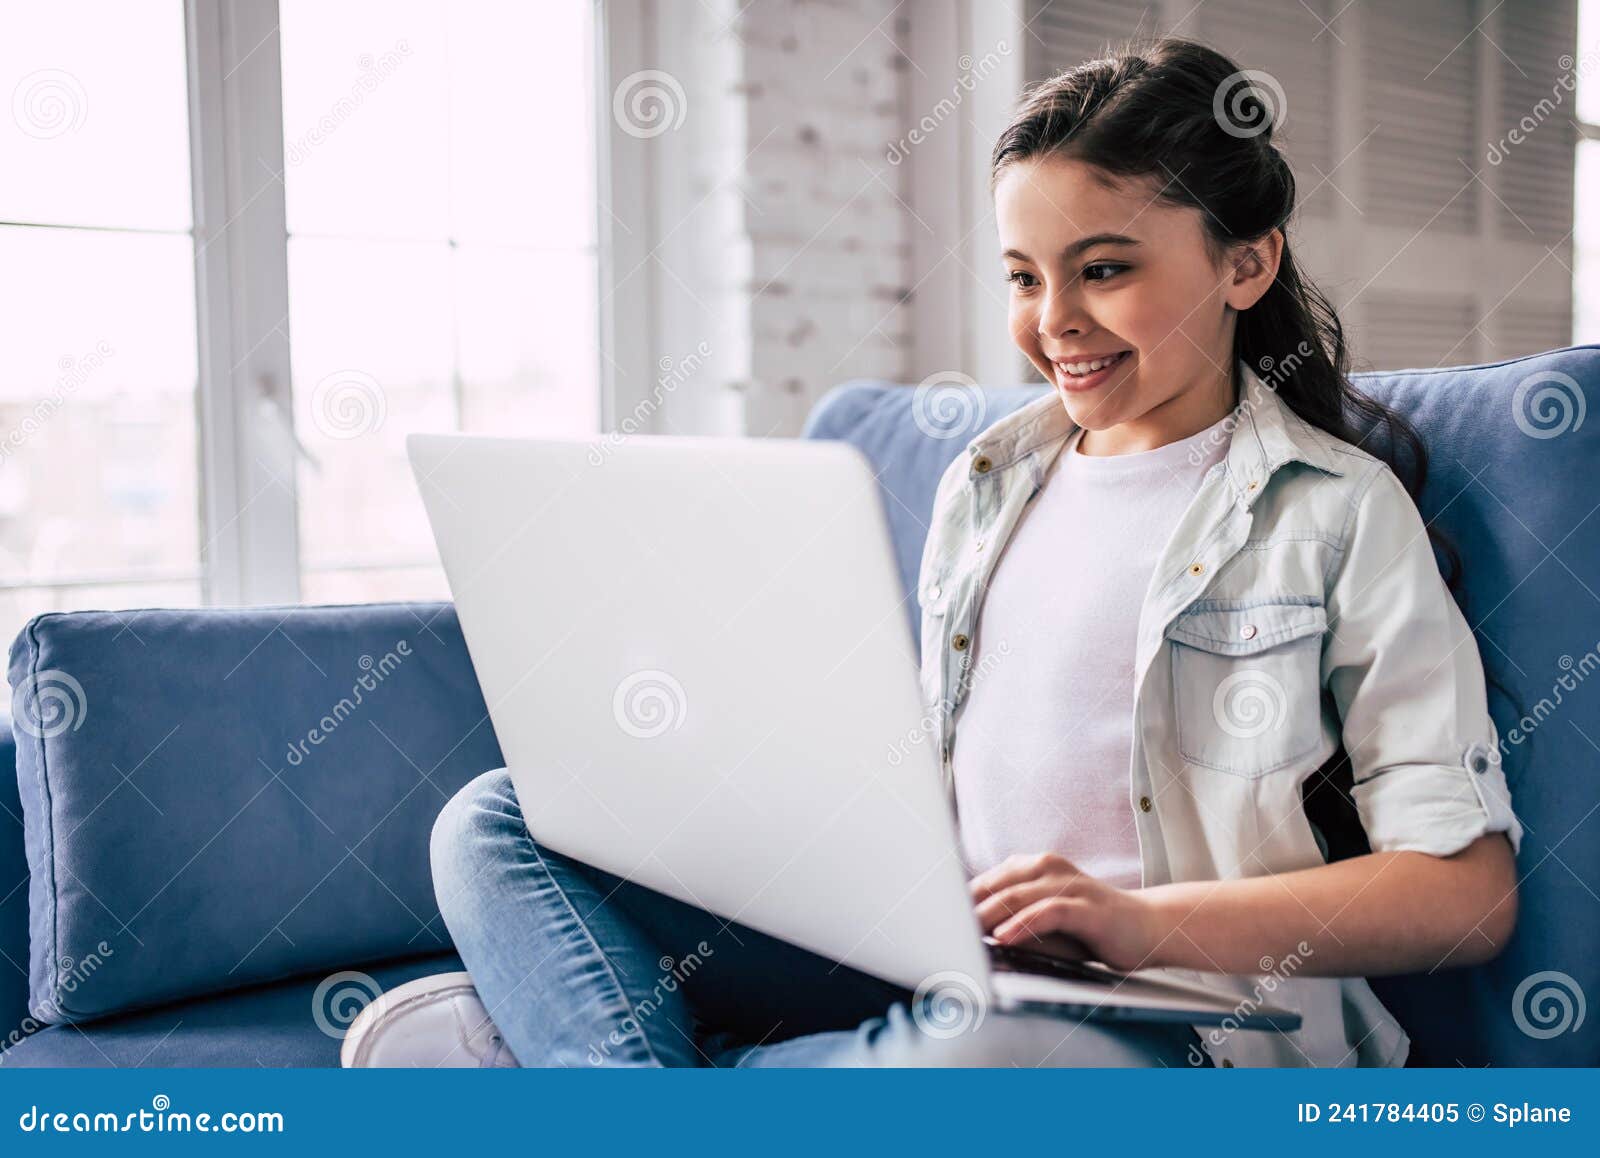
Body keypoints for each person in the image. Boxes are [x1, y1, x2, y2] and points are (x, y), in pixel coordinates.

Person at [344, 36, 1522, 1069]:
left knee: (981, 1056)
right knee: (498, 817)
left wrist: (1132, 919)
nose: (1050, 319)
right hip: (936, 955)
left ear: (1243, 264)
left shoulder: (1337, 510)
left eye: (1102, 269)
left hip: (1180, 1024)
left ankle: (578, 1062)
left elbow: (1464, 896)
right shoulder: (989, 481)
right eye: (1022, 277)